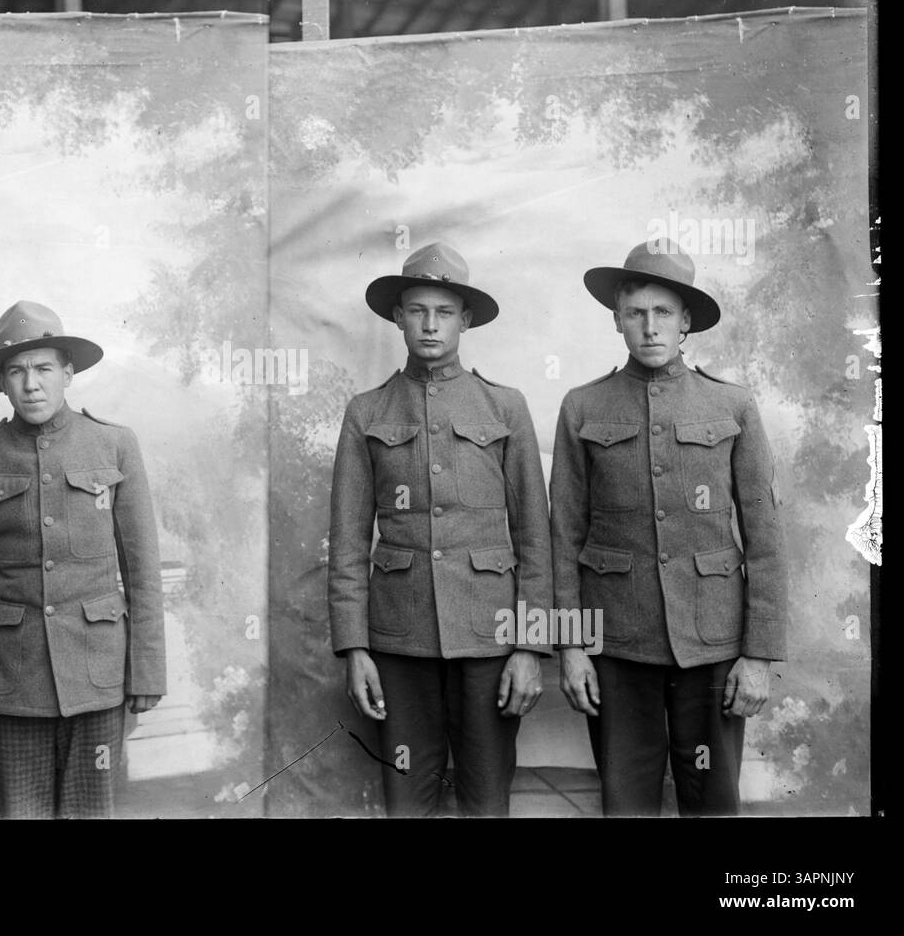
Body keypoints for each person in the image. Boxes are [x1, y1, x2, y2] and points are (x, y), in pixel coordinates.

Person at [550, 242, 789, 816]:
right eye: (636, 313)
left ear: (686, 322)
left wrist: (759, 655)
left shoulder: (730, 405)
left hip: (713, 643)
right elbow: (563, 537)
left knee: (712, 801)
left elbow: (765, 538)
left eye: (663, 313)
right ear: (617, 320)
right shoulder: (583, 407)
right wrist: (570, 648)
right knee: (625, 803)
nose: (650, 327)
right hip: (615, 642)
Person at [328, 243, 552, 817]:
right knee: (406, 798)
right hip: (399, 643)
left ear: (466, 320)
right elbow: (349, 545)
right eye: (418, 310)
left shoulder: (504, 407)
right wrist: (355, 648)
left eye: (444, 311)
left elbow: (534, 539)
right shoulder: (366, 412)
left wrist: (530, 646)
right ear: (398, 317)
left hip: (489, 638)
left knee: (486, 797)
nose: (430, 324)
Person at [0, 301, 166, 819]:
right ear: (1, 381)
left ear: (68, 372)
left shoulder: (114, 446)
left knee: (92, 813)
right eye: (16, 371)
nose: (31, 384)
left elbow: (143, 571)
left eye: (43, 368)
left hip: (98, 675)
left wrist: (146, 670)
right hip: (10, 681)